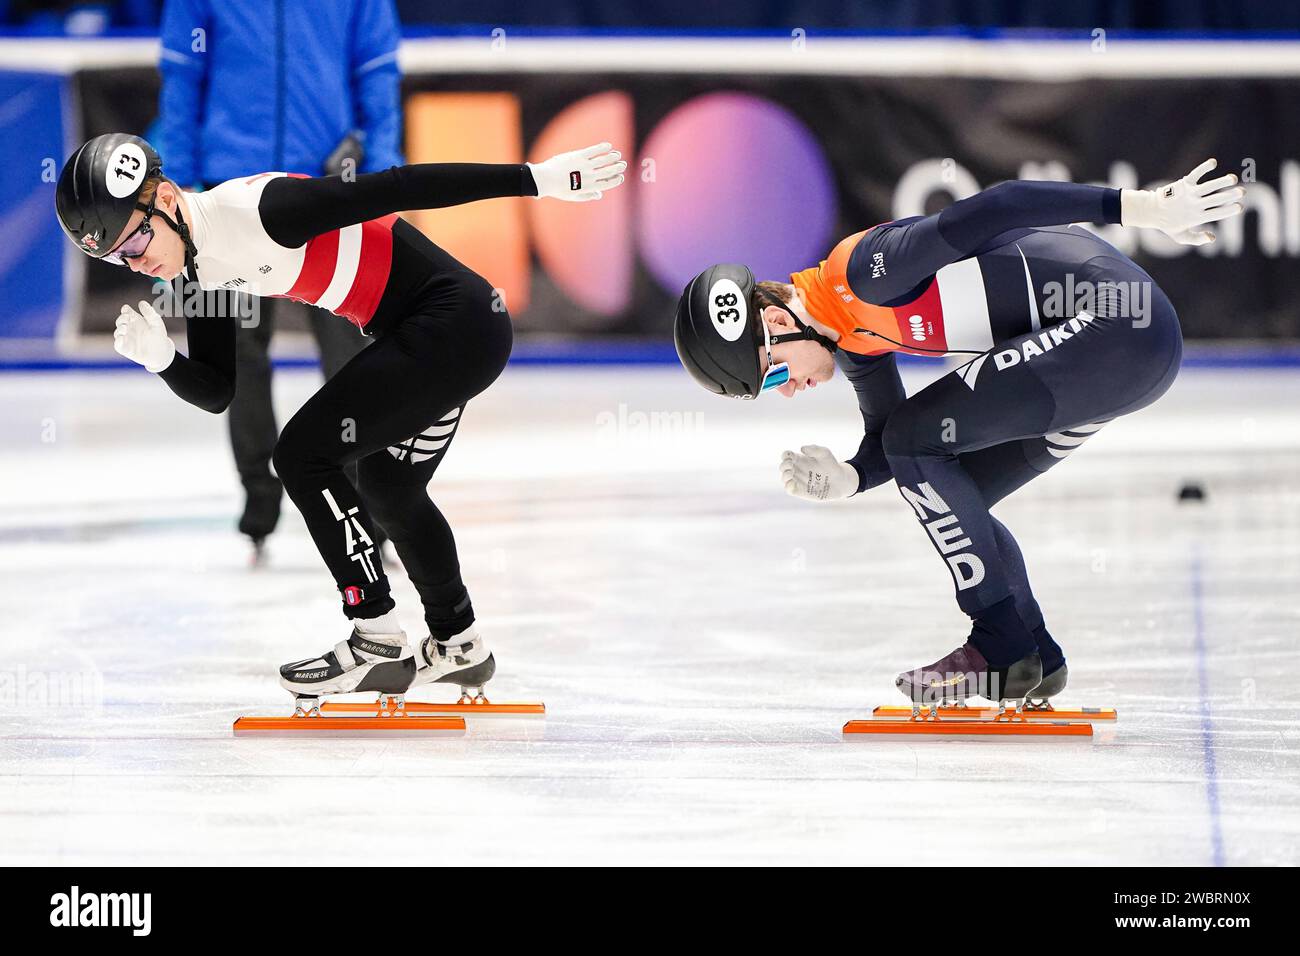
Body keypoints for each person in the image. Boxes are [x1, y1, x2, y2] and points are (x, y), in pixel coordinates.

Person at [55, 132, 626, 711]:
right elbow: (220, 390)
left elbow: (399, 186)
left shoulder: (263, 212)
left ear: (169, 198)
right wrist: (163, 361)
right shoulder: (197, 269)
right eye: (122, 256)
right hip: (442, 335)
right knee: (390, 488)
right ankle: (460, 642)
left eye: (141, 237)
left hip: (454, 325)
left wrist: (534, 179)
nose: (140, 260)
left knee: (302, 454)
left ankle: (376, 635)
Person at [673, 161, 1244, 709]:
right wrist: (847, 479)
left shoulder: (864, 272)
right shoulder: (850, 338)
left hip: (1117, 328)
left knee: (920, 443)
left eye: (772, 374)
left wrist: (1139, 207)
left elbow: (1003, 203)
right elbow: (893, 445)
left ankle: (999, 646)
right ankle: (1033, 655)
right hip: (1121, 354)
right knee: (956, 489)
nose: (788, 390)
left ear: (777, 323)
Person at [158, 0, 404, 557]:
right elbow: (182, 75)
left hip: (324, 189)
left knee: (353, 354)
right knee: (234, 352)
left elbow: (377, 68)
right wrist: (183, 178)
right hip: (223, 191)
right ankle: (259, 491)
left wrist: (380, 170)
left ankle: (372, 500)